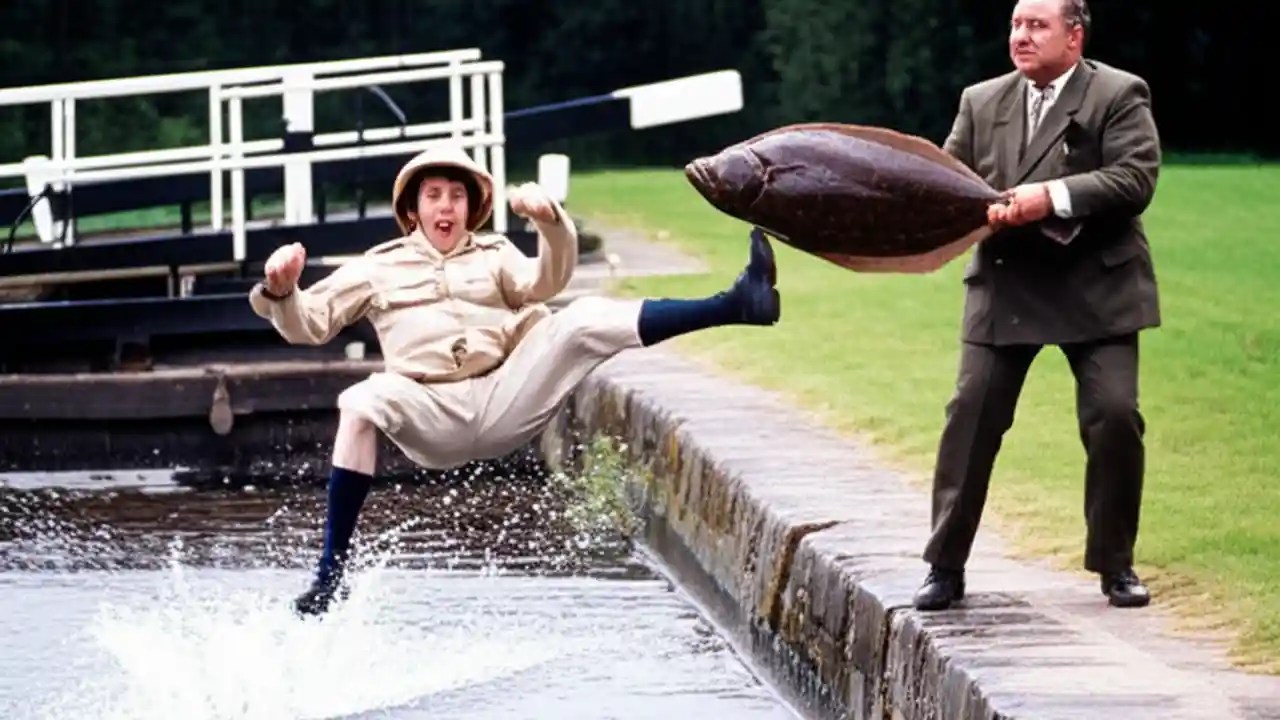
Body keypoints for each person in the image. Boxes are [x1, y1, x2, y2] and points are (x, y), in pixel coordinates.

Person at [249, 143, 781, 616]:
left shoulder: (495, 254)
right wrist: (282, 291)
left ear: (470, 208)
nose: (445, 206)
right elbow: (310, 325)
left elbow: (547, 280)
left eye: (456, 195)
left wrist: (550, 224)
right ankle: (329, 575)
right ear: (412, 210)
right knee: (360, 402)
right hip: (429, 410)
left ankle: (737, 303)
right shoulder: (376, 266)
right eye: (433, 195)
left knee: (579, 319)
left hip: (506, 397)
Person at [913, 0, 1162, 611]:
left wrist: (1048, 197)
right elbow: (949, 179)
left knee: (1114, 417)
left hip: (1097, 287)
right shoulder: (980, 100)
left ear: (1073, 38)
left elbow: (1137, 179)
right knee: (968, 416)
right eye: (1016, 25)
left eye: (1037, 26)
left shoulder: (1119, 93)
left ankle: (1115, 564)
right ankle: (944, 566)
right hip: (1006, 283)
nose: (1021, 37)